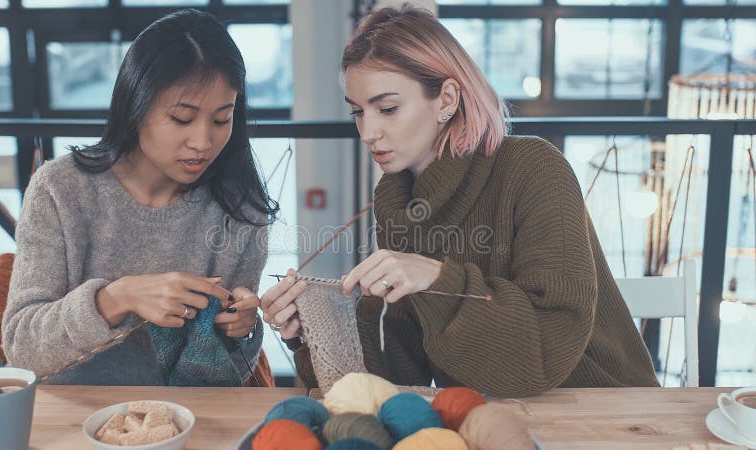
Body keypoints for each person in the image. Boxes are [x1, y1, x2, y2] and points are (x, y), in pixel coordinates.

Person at [260, 4, 658, 397]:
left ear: (447, 99)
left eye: (387, 108)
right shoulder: (396, 200)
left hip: (605, 409)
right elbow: (400, 372)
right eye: (359, 113)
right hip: (488, 411)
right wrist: (312, 330)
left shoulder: (534, 167)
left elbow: (547, 351)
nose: (368, 132)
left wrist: (434, 278)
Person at [2, 9, 277, 386]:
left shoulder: (240, 207)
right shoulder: (61, 190)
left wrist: (241, 329)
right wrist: (116, 298)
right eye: (182, 118)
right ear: (136, 104)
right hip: (73, 424)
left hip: (191, 420)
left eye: (221, 119)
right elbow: (22, 346)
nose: (203, 142)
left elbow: (224, 375)